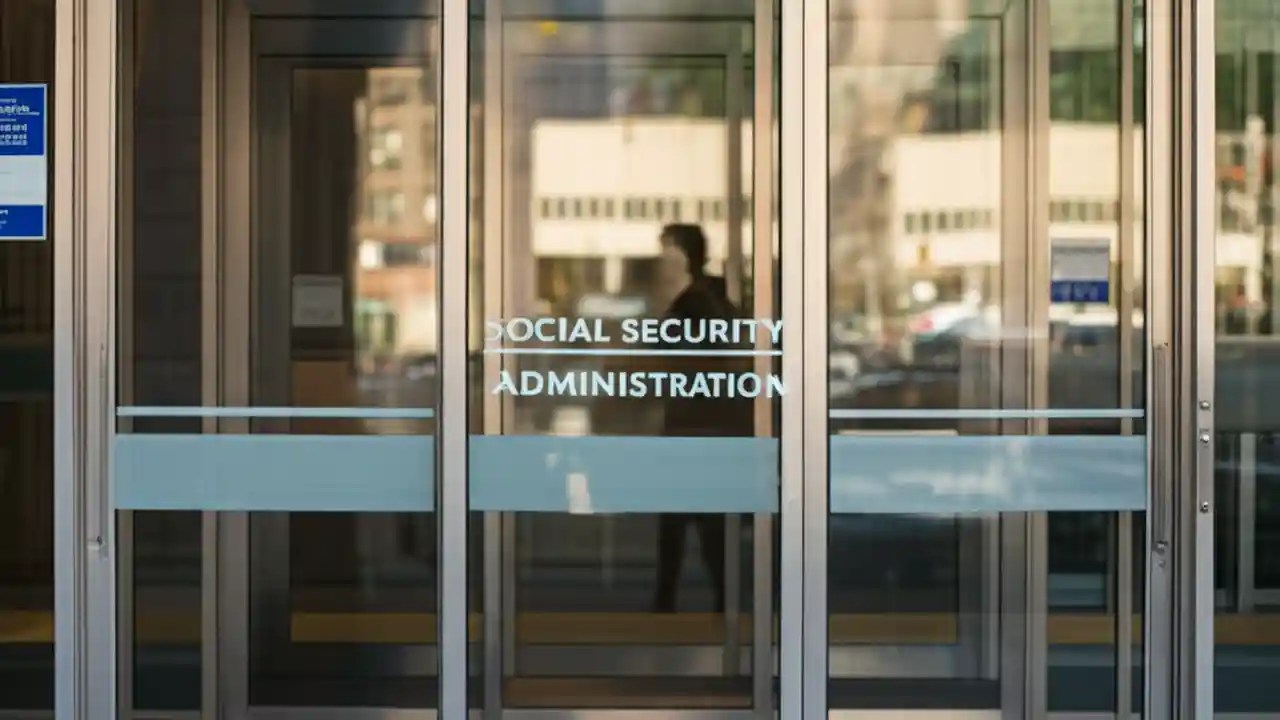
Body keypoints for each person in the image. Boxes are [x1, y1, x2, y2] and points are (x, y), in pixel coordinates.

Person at [650, 223, 751, 613]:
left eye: (665, 251)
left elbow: (675, 355)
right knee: (692, 521)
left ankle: (677, 602)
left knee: (690, 521)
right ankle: (698, 601)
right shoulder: (710, 296)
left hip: (696, 425)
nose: (660, 260)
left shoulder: (699, 300)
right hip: (703, 424)